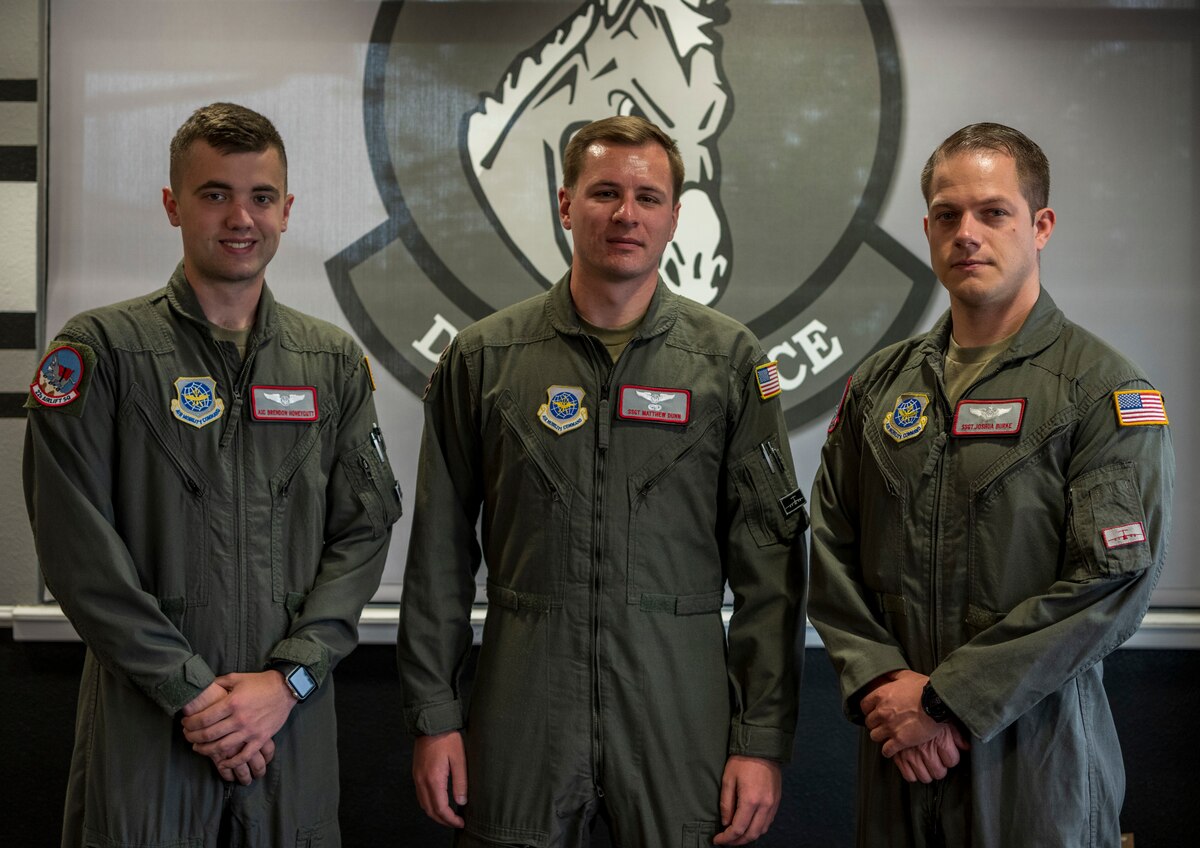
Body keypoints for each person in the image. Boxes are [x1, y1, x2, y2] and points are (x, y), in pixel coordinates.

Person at [397, 115, 807, 847]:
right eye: (605, 193)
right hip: (523, 701)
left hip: (677, 703)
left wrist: (760, 738)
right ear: (564, 205)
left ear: (676, 216)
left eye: (649, 198)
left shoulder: (728, 362)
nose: (626, 214)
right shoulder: (486, 359)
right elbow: (438, 556)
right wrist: (434, 716)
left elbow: (769, 572)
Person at [24, 102, 402, 846]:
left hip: (288, 726)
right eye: (215, 193)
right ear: (173, 204)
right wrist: (193, 695)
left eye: (261, 196)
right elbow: (77, 553)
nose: (241, 217)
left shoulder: (331, 363)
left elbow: (364, 533)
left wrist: (287, 680)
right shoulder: (101, 353)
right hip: (146, 726)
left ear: (287, 210)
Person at [808, 122, 1174, 847]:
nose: (967, 232)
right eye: (948, 215)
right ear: (928, 228)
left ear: (1040, 226)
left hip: (1034, 759)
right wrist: (885, 686)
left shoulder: (1100, 390)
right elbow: (828, 544)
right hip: (898, 755)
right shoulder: (882, 385)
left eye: (993, 212)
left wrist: (945, 702)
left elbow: (1111, 581)